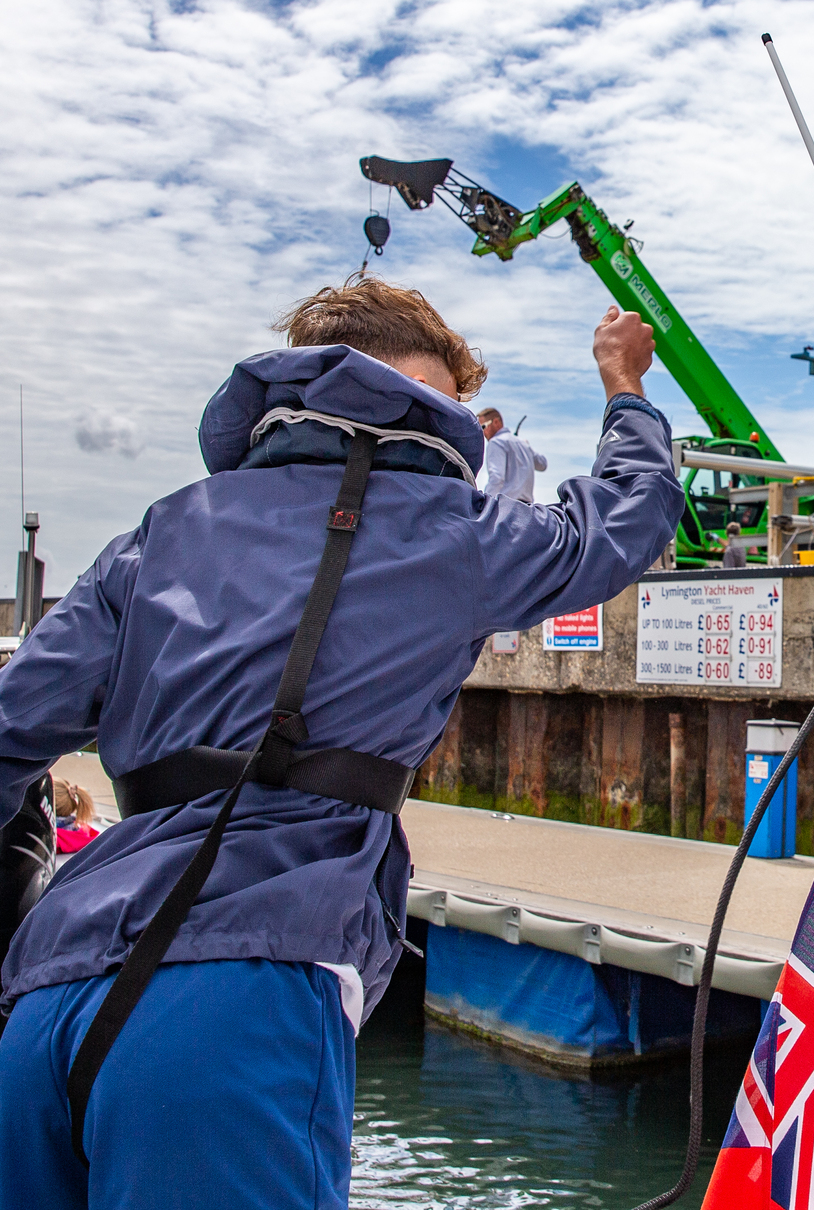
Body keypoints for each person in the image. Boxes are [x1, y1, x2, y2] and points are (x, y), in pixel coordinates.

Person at [0, 276, 680, 1207]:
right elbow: (624, 522)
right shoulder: (454, 531)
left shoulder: (155, 535)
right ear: (398, 389)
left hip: (47, 1000)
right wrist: (624, 389)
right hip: (244, 996)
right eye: (445, 401)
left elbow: (8, 733)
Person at [476, 406, 549, 502]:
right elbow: (542, 464)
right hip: (528, 509)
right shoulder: (522, 443)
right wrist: (527, 447)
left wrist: (485, 503)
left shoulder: (496, 442)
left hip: (507, 507)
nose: (482, 432)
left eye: (483, 427)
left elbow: (497, 477)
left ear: (496, 422)